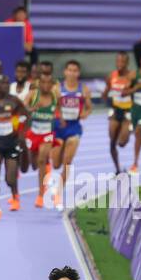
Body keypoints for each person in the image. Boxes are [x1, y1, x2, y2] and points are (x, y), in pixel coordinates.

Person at [0, 76, 27, 220]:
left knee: (10, 179)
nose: (6, 85)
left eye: (7, 83)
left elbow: (27, 114)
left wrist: (21, 130)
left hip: (11, 144)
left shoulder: (14, 101)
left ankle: (15, 196)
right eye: (3, 83)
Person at [51, 60, 91, 209]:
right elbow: (52, 106)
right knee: (56, 163)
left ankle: (58, 194)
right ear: (65, 72)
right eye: (70, 70)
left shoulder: (84, 89)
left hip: (74, 128)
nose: (72, 73)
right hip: (59, 127)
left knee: (67, 162)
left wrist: (84, 114)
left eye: (75, 71)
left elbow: (89, 108)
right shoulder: (57, 89)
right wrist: (58, 116)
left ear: (78, 73)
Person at [24, 69, 59, 208]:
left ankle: (40, 194)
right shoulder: (33, 94)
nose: (45, 85)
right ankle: (43, 170)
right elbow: (24, 105)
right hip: (33, 133)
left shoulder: (55, 96)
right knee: (34, 164)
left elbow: (61, 109)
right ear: (39, 83)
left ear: (52, 84)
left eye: (48, 83)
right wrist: (31, 108)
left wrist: (61, 118)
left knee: (41, 160)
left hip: (47, 134)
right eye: (42, 82)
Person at [104, 51, 135, 175]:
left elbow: (138, 92)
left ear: (127, 63)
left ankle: (129, 130)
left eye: (123, 61)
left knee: (121, 143)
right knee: (112, 143)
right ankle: (117, 170)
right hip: (115, 110)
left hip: (128, 111)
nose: (120, 64)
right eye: (118, 61)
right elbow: (105, 93)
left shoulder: (132, 76)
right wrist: (107, 98)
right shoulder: (111, 76)